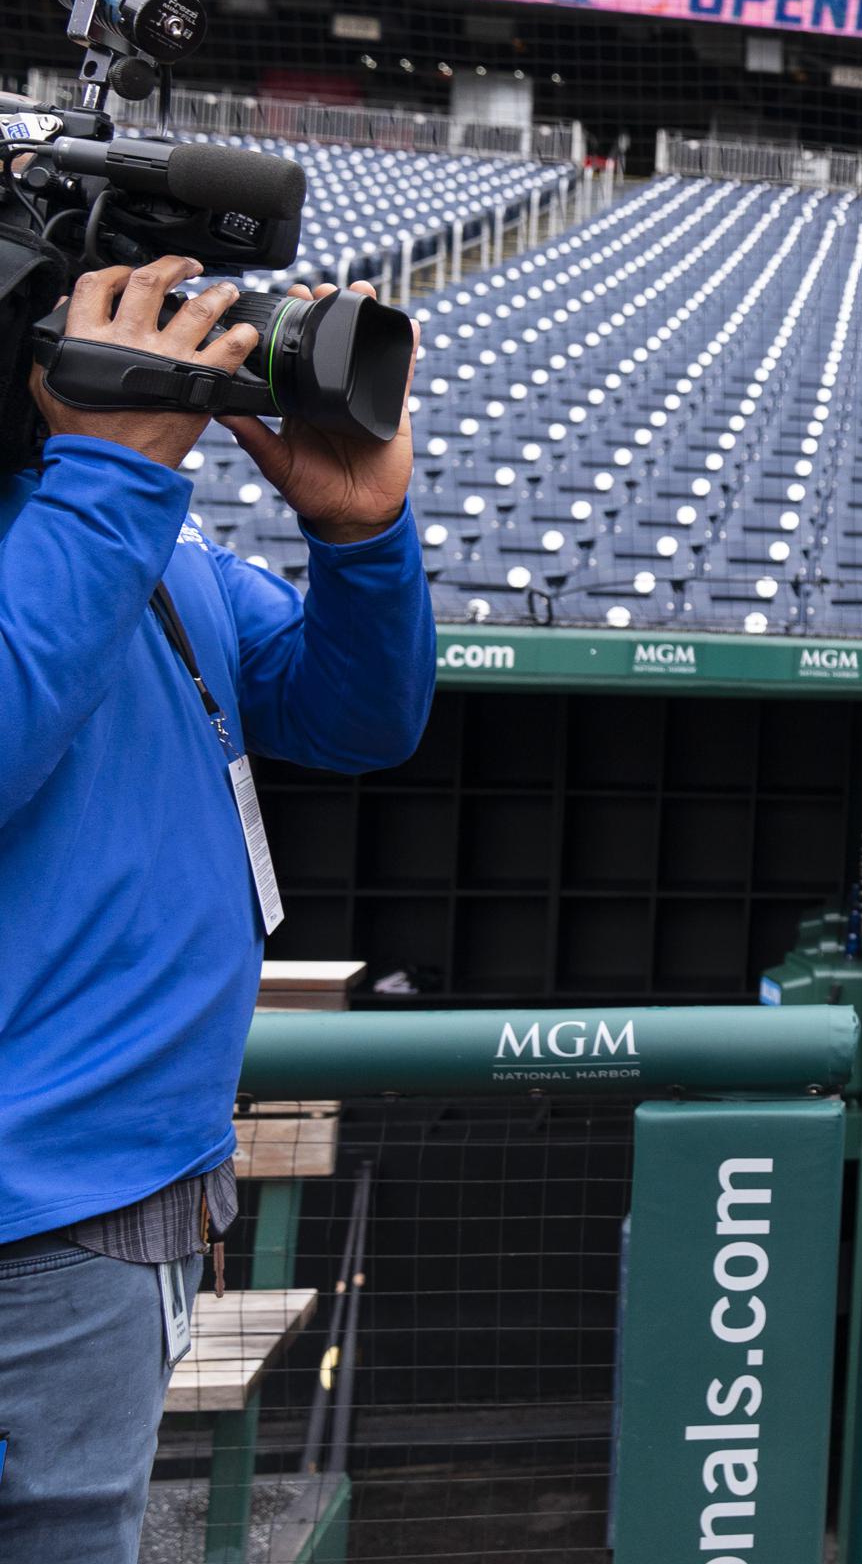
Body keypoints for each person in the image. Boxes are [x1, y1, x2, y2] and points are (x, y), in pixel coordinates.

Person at [0, 260, 435, 1563]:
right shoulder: (102, 512)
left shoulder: (141, 536)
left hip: (131, 1192)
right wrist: (109, 478)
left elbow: (356, 717)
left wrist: (361, 537)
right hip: (32, 1210)